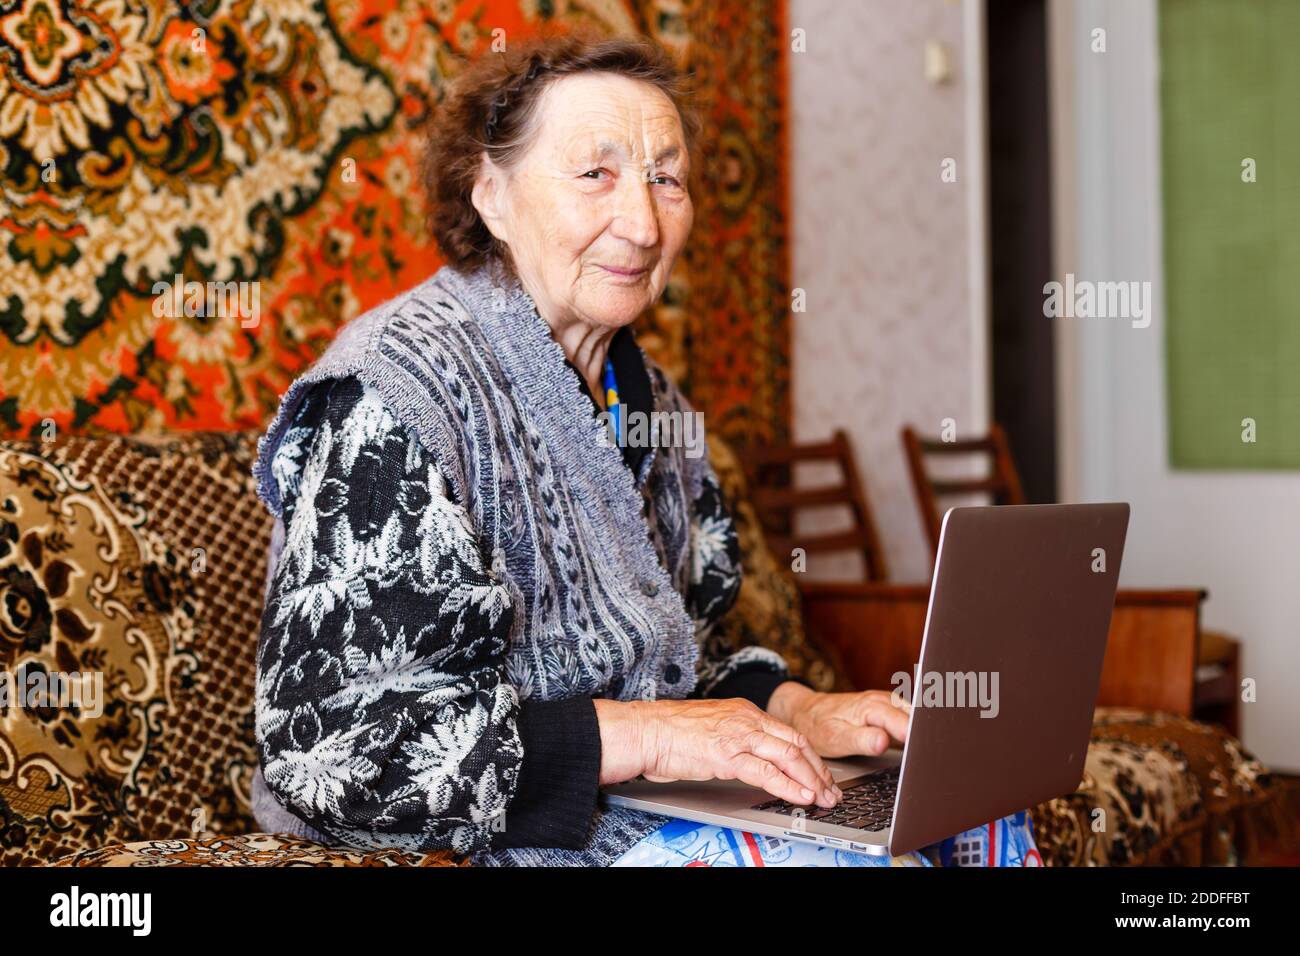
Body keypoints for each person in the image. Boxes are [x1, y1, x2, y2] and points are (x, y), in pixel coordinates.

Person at [248, 31, 1038, 867]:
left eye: (668, 178)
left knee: (972, 816)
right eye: (597, 174)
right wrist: (650, 737)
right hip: (483, 839)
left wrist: (798, 710)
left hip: (644, 804)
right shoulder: (394, 394)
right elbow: (326, 750)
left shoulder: (651, 403)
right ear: (492, 194)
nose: (643, 219)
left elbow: (688, 658)